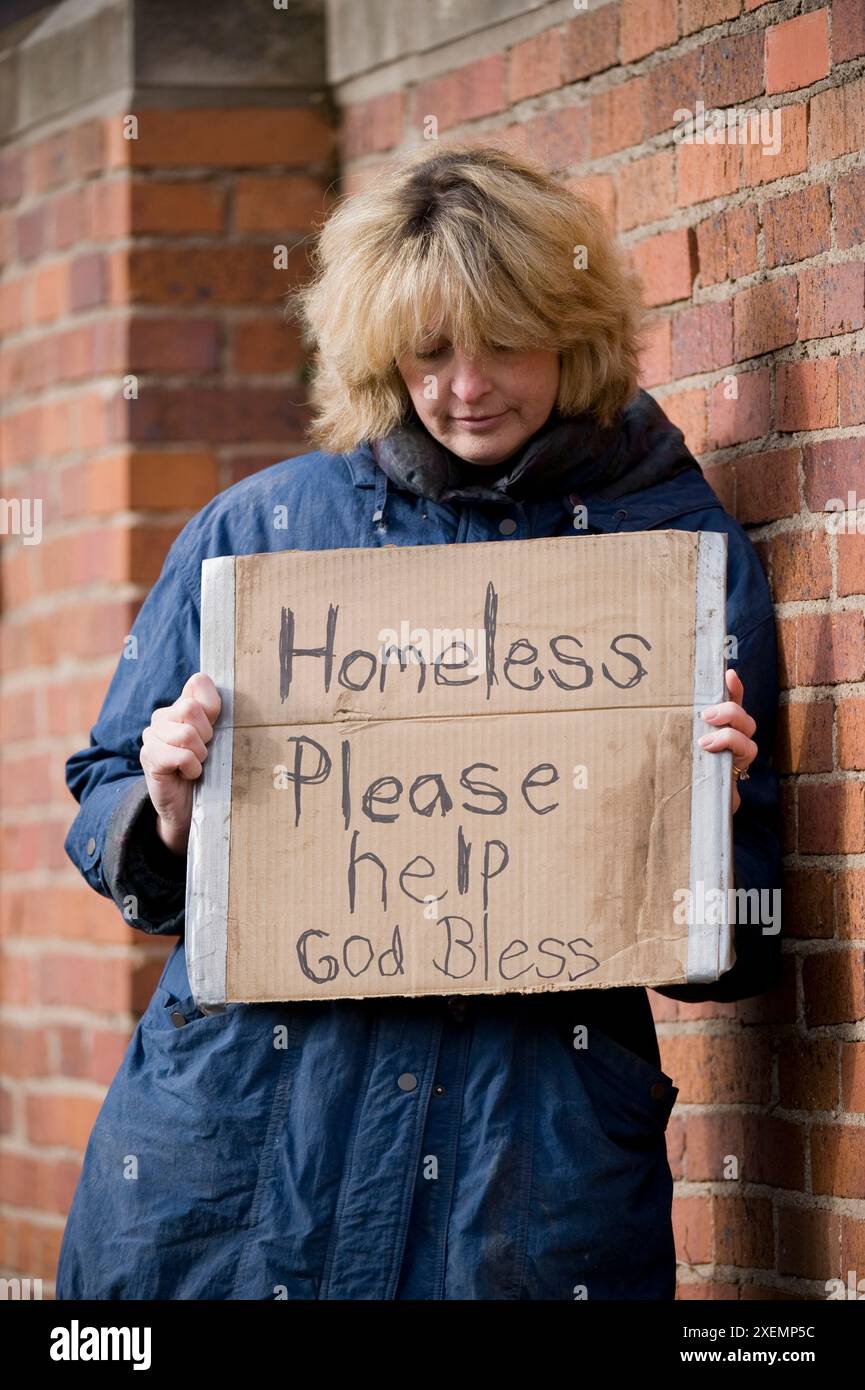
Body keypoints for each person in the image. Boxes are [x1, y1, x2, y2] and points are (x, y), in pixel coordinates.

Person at [56, 143, 781, 1301]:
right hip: (239, 1156)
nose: (465, 385)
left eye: (502, 341)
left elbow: (739, 942)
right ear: (381, 355)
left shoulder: (669, 562)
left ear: (570, 327)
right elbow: (103, 805)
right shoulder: (262, 533)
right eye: (429, 351)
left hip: (522, 1173)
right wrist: (165, 807)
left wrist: (702, 828)